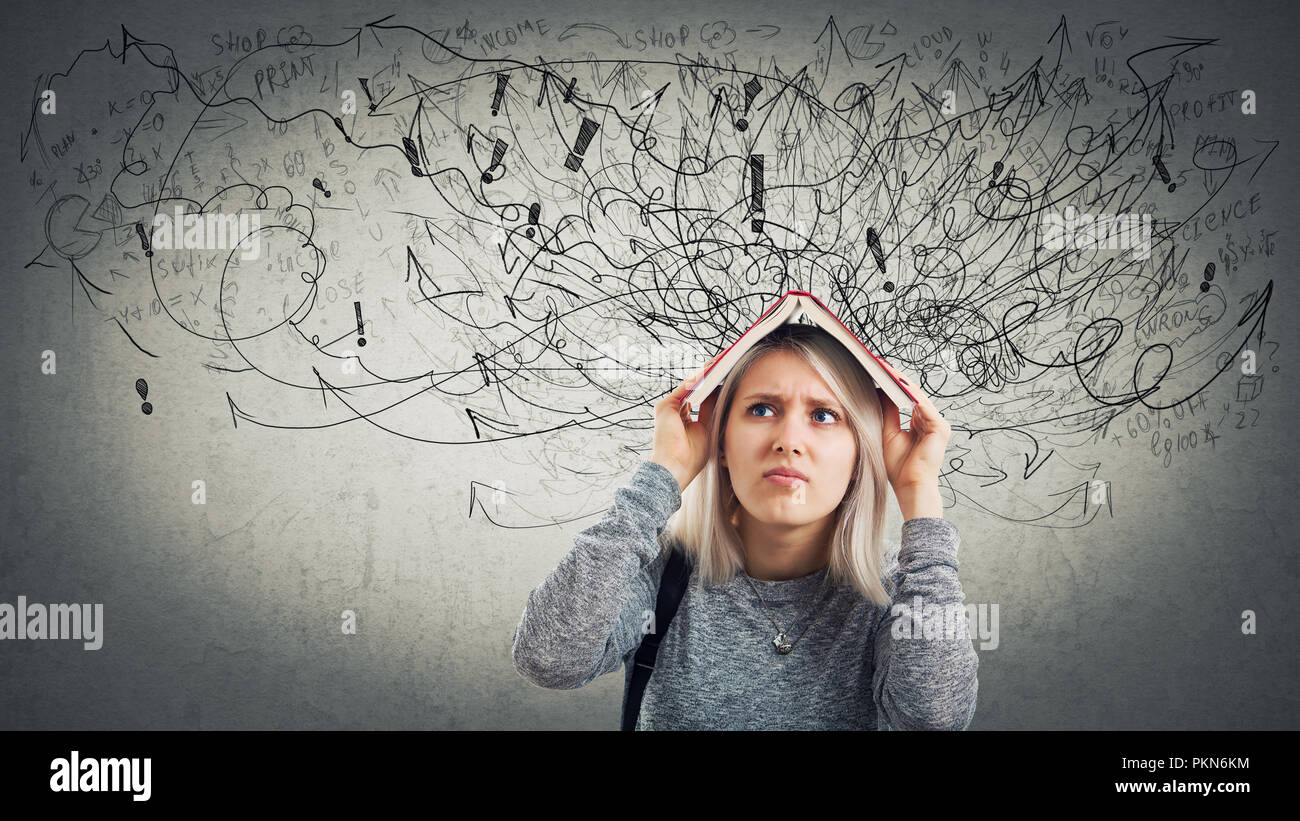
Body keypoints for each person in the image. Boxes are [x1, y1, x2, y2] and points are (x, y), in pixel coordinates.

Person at [511, 323, 979, 729]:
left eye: (823, 415)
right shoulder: (662, 577)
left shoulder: (905, 593)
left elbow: (934, 716)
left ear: (861, 454)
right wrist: (660, 478)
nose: (789, 441)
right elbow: (549, 659)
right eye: (761, 409)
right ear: (720, 443)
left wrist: (920, 497)